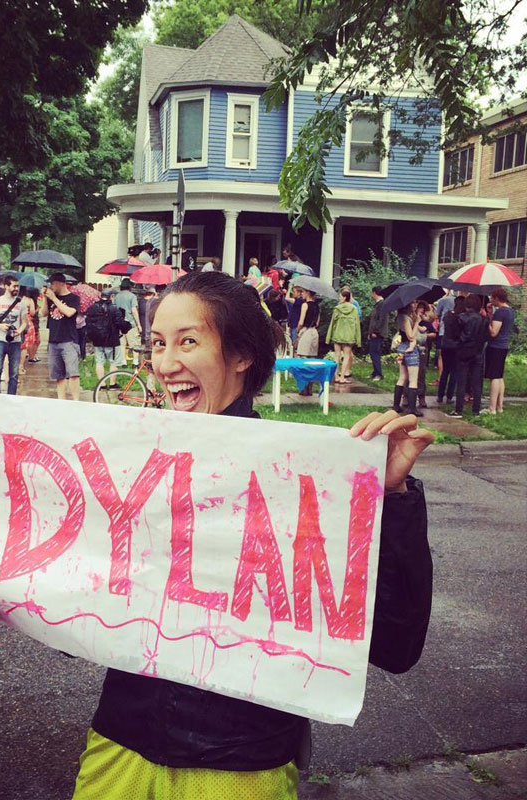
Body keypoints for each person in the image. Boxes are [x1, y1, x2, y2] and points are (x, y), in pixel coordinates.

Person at [69, 271, 433, 800]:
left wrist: (396, 501)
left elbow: (396, 645)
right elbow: (70, 618)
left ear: (241, 355)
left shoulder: (306, 479)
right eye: (158, 343)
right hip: (119, 744)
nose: (166, 364)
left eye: (188, 341)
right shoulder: (129, 467)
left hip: (241, 766)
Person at [42, 272, 81, 401]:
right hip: (54, 340)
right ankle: (61, 400)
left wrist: (54, 299)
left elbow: (69, 313)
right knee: (58, 375)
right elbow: (44, 313)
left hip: (69, 340)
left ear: (60, 283)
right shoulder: (51, 298)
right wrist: (44, 298)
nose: (51, 287)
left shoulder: (73, 298)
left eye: (52, 284)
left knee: (73, 373)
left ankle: (76, 401)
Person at [0, 275, 27, 395]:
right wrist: (0, 326)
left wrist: (19, 330)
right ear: (6, 286)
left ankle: (11, 397)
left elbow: (24, 322)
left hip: (15, 341)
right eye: (14, 286)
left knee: (14, 373)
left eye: (17, 286)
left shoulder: (20, 303)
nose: (16, 288)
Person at [448, 294, 488, 417]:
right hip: (478, 352)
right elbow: (485, 336)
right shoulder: (483, 319)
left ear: (467, 305)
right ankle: (476, 410)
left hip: (463, 351)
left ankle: (458, 410)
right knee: (477, 382)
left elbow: (455, 334)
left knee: (462, 381)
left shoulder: (461, 318)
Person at [483, 288, 515, 414]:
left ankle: (491, 408)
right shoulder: (510, 311)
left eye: (492, 298)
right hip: (504, 345)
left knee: (494, 377)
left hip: (495, 346)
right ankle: (499, 406)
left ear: (497, 298)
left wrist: (486, 319)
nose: (491, 300)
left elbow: (494, 332)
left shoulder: (500, 312)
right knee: (500, 376)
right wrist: (491, 315)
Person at [85, 287, 125, 381]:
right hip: (112, 340)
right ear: (111, 296)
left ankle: (101, 384)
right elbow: (120, 323)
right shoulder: (114, 308)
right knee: (114, 362)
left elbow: (88, 322)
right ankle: (112, 383)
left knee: (99, 362)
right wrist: (127, 327)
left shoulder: (92, 308)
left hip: (97, 339)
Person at [393, 301, 422, 417]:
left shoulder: (400, 317)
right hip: (409, 350)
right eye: (413, 303)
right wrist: (417, 323)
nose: (415, 305)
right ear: (407, 305)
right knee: (413, 379)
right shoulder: (405, 318)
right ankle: (412, 408)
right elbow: (410, 336)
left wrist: (414, 320)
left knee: (402, 377)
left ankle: (396, 405)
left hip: (401, 348)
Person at [326, 289, 361, 384]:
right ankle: (342, 377)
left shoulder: (337, 309)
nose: (339, 298)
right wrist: (358, 339)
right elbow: (357, 324)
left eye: (340, 296)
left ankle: (336, 376)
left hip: (337, 335)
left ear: (345, 297)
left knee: (336, 356)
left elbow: (332, 324)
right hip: (349, 336)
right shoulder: (354, 309)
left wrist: (329, 337)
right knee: (346, 356)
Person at [436, 295, 465, 406]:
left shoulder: (448, 315)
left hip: (445, 344)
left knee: (445, 370)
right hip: (456, 346)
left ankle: (440, 395)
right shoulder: (461, 318)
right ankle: (449, 396)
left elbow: (442, 323)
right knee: (454, 372)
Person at [295, 289, 320, 396]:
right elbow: (318, 322)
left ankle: (303, 387)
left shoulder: (305, 305)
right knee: (312, 361)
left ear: (308, 293)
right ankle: (310, 387)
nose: (302, 294)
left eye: (303, 292)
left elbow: (301, 321)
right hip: (314, 332)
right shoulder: (318, 307)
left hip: (306, 331)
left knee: (303, 359)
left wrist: (298, 329)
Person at [114, 279, 142, 365]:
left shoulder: (116, 296)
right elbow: (134, 310)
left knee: (122, 344)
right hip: (130, 323)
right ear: (130, 286)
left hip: (119, 324)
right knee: (135, 344)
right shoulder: (132, 296)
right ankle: (135, 362)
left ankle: (123, 362)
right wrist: (139, 325)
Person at [367, 285, 389, 381]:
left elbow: (381, 320)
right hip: (375, 332)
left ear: (374, 293)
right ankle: (375, 372)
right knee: (373, 352)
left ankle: (379, 374)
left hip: (377, 333)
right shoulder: (379, 304)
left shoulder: (381, 304)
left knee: (375, 352)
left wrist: (375, 331)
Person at [19, 287, 38, 376]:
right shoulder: (29, 300)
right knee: (24, 347)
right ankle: (20, 367)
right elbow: (33, 313)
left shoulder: (15, 299)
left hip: (16, 323)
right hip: (27, 323)